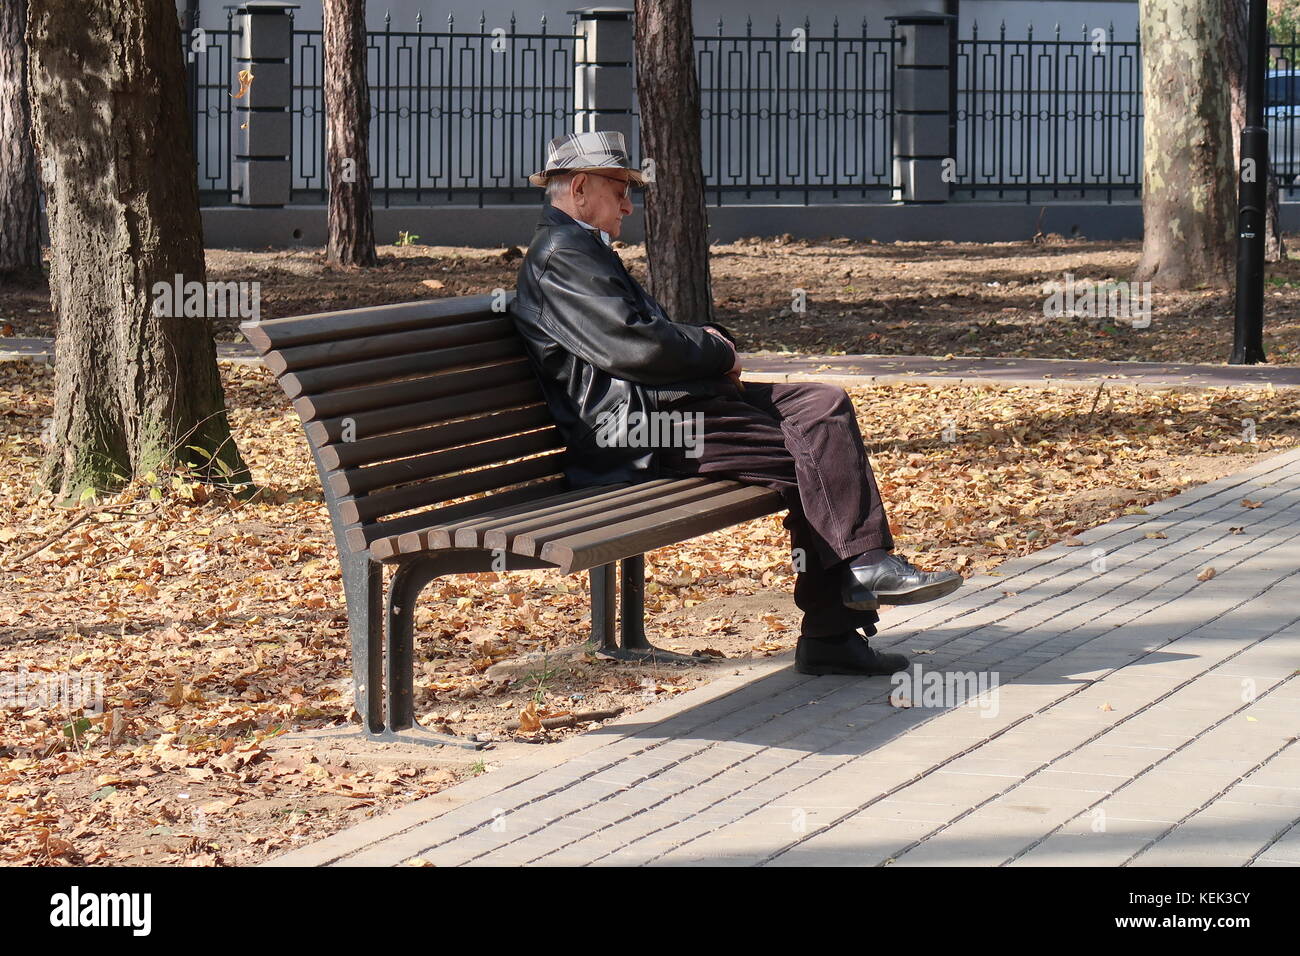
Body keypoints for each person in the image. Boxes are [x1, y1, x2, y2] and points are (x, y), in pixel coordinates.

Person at [510, 131, 961, 676]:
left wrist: (707, 343)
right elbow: (636, 345)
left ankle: (860, 577)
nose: (629, 204)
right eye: (620, 189)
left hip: (675, 405)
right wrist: (715, 347)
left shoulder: (580, 247)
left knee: (822, 402)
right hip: (640, 430)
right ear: (579, 187)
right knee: (811, 461)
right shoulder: (561, 254)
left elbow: (646, 336)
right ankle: (836, 622)